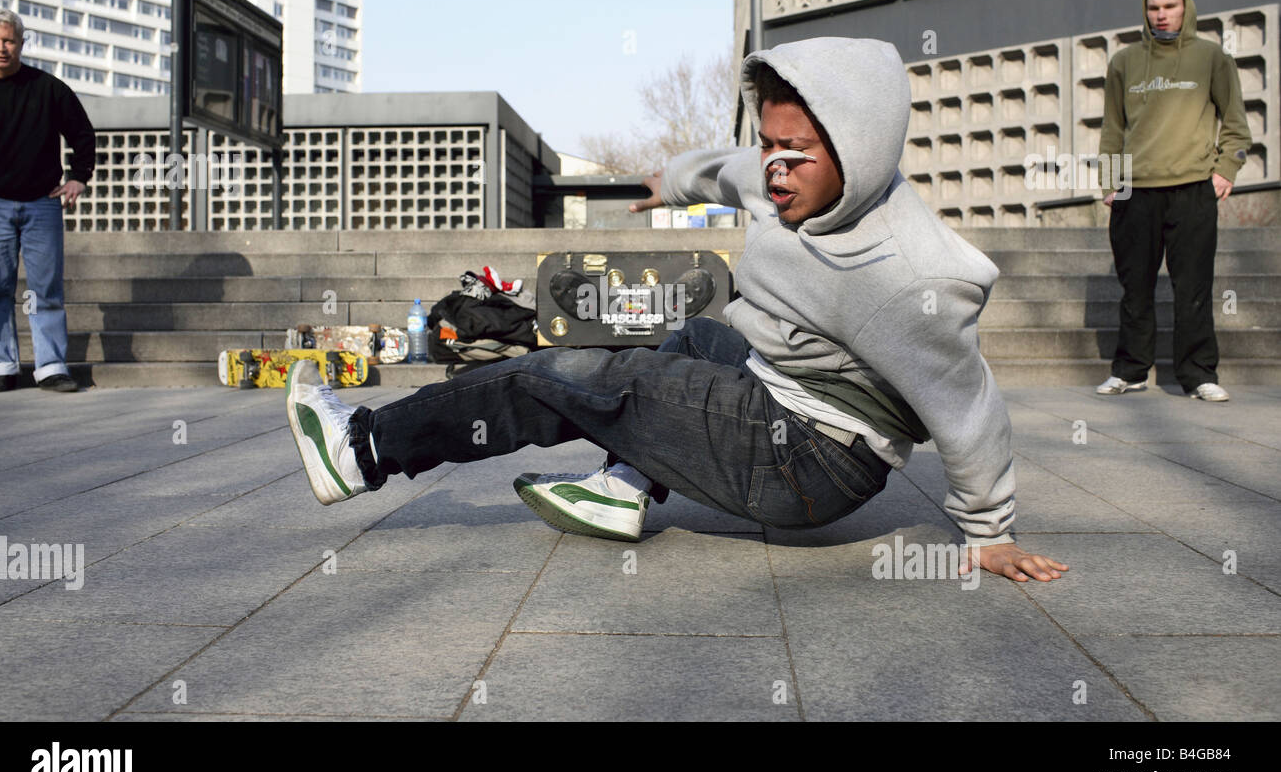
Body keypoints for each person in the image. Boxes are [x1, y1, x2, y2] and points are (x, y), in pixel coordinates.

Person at [286, 37, 1068, 584]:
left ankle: (360, 450)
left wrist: (989, 531)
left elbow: (969, 405)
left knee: (573, 375)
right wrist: (676, 180)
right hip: (781, 391)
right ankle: (625, 484)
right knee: (696, 332)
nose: (778, 170)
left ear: (857, 150)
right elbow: (733, 173)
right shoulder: (783, 173)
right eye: (771, 143)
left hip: (809, 464)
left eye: (798, 152)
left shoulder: (907, 271)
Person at [1095, 0, 1251, 401]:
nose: (1161, 14)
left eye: (1169, 6)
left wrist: (1225, 170)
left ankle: (1199, 374)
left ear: (1186, 8)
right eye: (1153, 7)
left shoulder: (1212, 58)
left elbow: (1236, 127)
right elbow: (1113, 128)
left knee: (1194, 287)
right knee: (1135, 288)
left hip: (1192, 190)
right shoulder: (1124, 62)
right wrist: (1110, 182)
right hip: (1134, 191)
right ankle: (1131, 369)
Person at [0, 8, 95, 393]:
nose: (2, 48)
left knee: (46, 288)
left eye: (9, 40)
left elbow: (82, 133)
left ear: (21, 43)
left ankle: (51, 367)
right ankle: (2, 366)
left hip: (42, 203)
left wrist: (79, 177)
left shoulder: (48, 89)